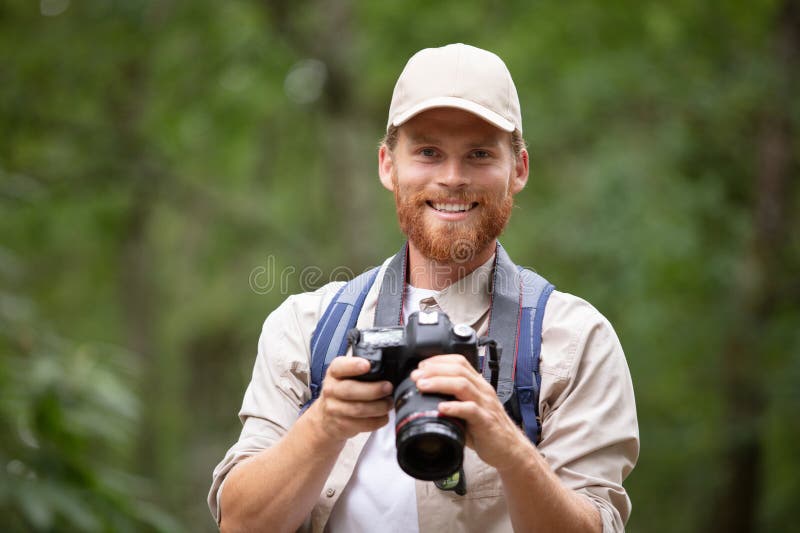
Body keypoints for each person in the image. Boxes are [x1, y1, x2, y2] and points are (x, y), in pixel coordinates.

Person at [209, 43, 639, 533]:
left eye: (479, 154)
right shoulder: (306, 328)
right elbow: (240, 524)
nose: (452, 178)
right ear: (388, 166)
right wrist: (324, 424)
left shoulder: (574, 341)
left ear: (518, 169)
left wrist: (508, 445)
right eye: (428, 152)